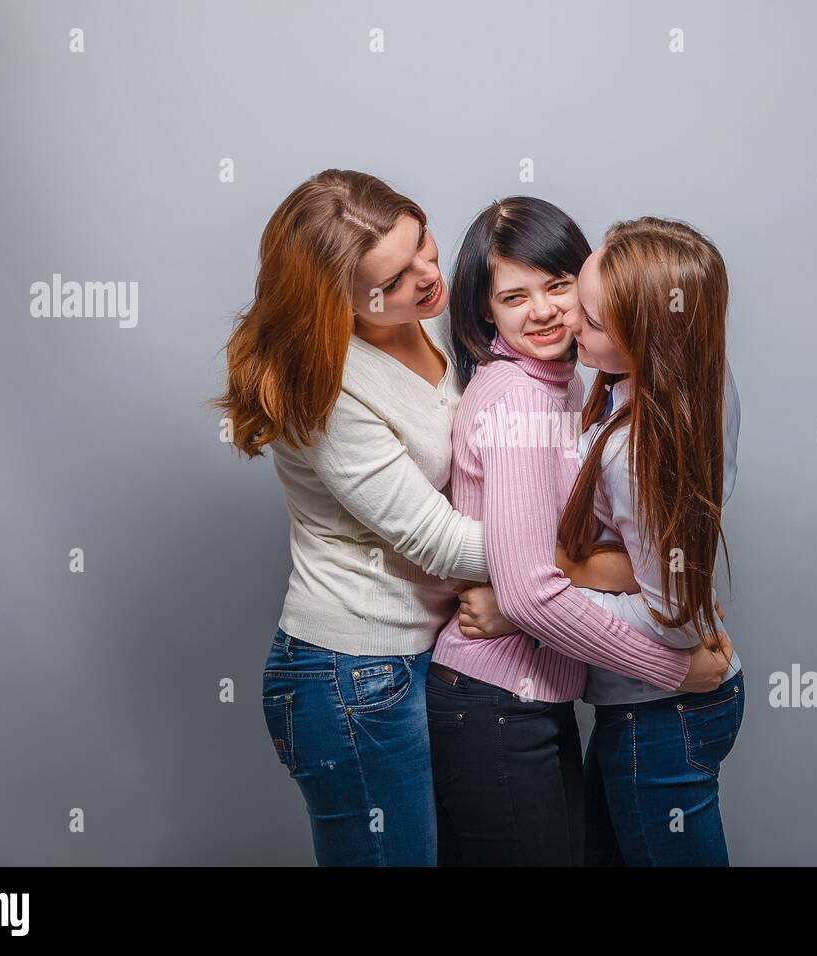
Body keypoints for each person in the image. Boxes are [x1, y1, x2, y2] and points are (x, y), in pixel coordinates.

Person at [425, 196, 734, 866]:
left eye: (559, 287)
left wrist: (591, 569)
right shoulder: (520, 398)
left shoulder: (576, 385)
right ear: (485, 310)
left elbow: (588, 550)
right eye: (514, 296)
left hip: (526, 696)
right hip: (495, 697)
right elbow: (534, 592)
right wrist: (675, 670)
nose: (543, 312)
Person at [210, 169, 491, 866]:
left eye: (422, 243)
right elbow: (440, 542)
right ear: (335, 300)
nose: (428, 276)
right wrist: (590, 562)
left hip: (421, 657)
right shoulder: (330, 385)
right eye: (394, 280)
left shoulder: (423, 322)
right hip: (354, 677)